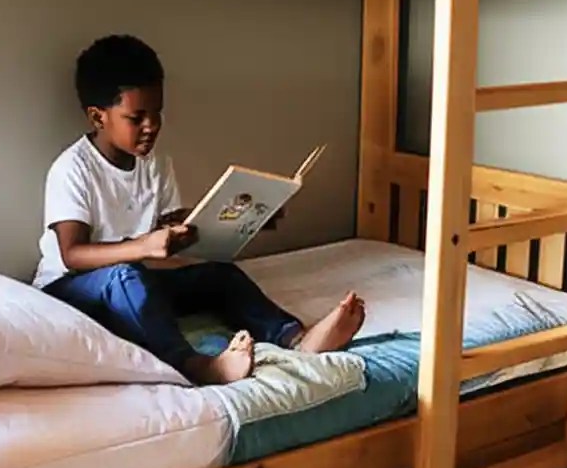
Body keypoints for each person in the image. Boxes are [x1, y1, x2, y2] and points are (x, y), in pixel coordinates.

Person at [34, 35, 365, 385]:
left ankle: (295, 337)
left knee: (219, 275)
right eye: (137, 117)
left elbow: (173, 223)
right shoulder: (73, 169)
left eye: (157, 113)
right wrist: (144, 247)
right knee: (125, 276)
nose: (152, 125)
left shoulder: (155, 163)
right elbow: (72, 254)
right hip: (70, 290)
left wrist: (248, 218)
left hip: (135, 282)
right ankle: (196, 366)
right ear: (98, 117)